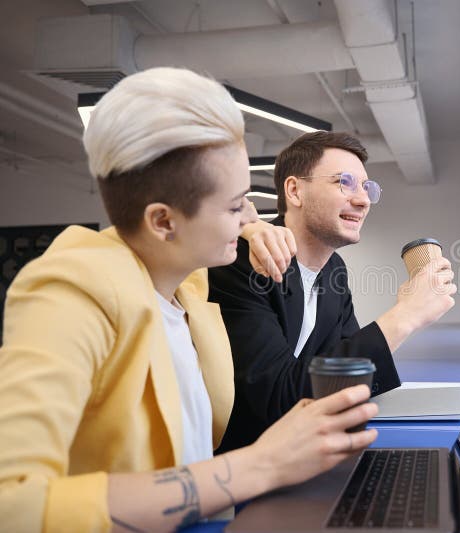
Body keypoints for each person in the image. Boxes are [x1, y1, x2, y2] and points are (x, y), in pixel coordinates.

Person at [0, 67, 377, 532]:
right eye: (237, 204)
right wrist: (260, 465)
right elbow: (11, 504)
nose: (252, 218)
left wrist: (244, 223)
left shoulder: (189, 286)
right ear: (163, 223)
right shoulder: (70, 290)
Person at [208, 131, 457, 452]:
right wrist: (405, 316)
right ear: (295, 191)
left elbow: (342, 376)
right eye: (345, 182)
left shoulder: (333, 269)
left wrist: (411, 312)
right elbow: (276, 399)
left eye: (366, 187)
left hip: (307, 454)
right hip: (244, 468)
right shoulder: (243, 262)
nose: (363, 199)